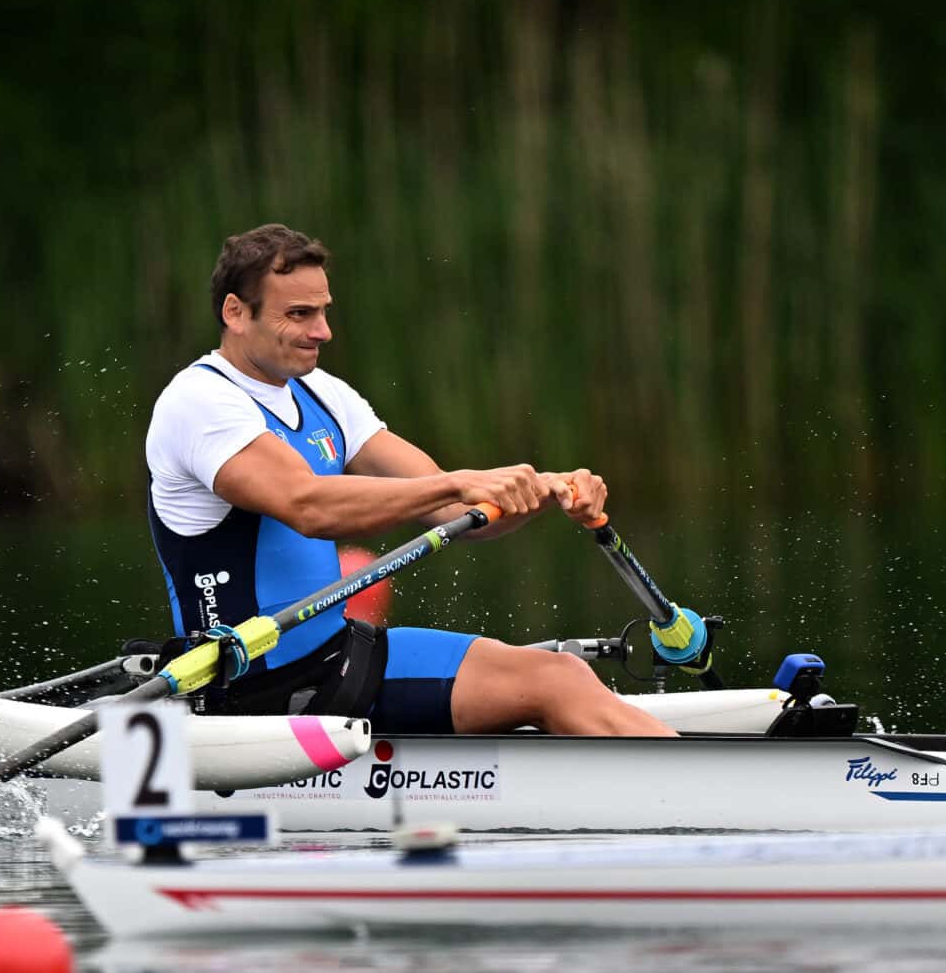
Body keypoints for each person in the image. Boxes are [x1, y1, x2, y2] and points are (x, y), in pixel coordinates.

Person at [145, 223, 677, 737]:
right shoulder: (201, 402)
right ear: (236, 313)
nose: (322, 332)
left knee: (563, 674)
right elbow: (308, 506)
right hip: (255, 689)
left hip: (337, 657)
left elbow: (454, 515)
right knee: (554, 684)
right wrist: (457, 485)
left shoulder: (322, 392)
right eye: (299, 314)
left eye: (324, 312)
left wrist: (547, 490)